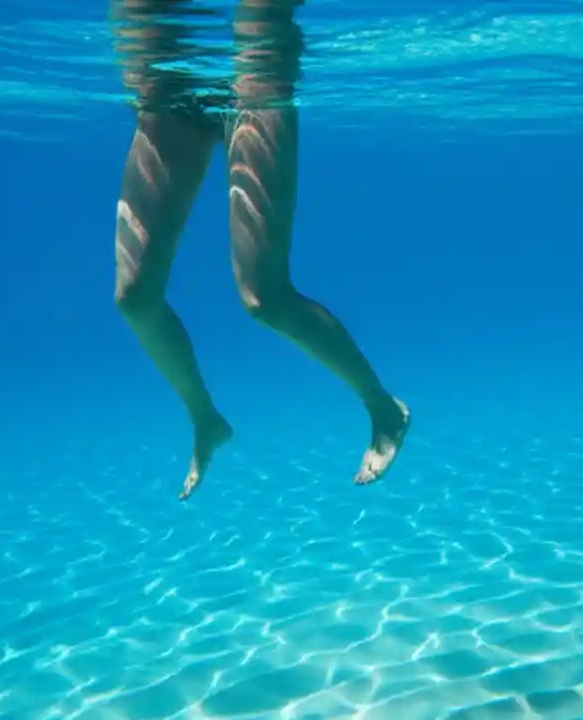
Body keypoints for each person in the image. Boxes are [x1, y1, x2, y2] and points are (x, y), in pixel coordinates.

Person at [110, 0, 409, 500]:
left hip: (257, 72)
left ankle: (383, 407)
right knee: (134, 296)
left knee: (262, 296)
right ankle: (206, 420)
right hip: (166, 83)